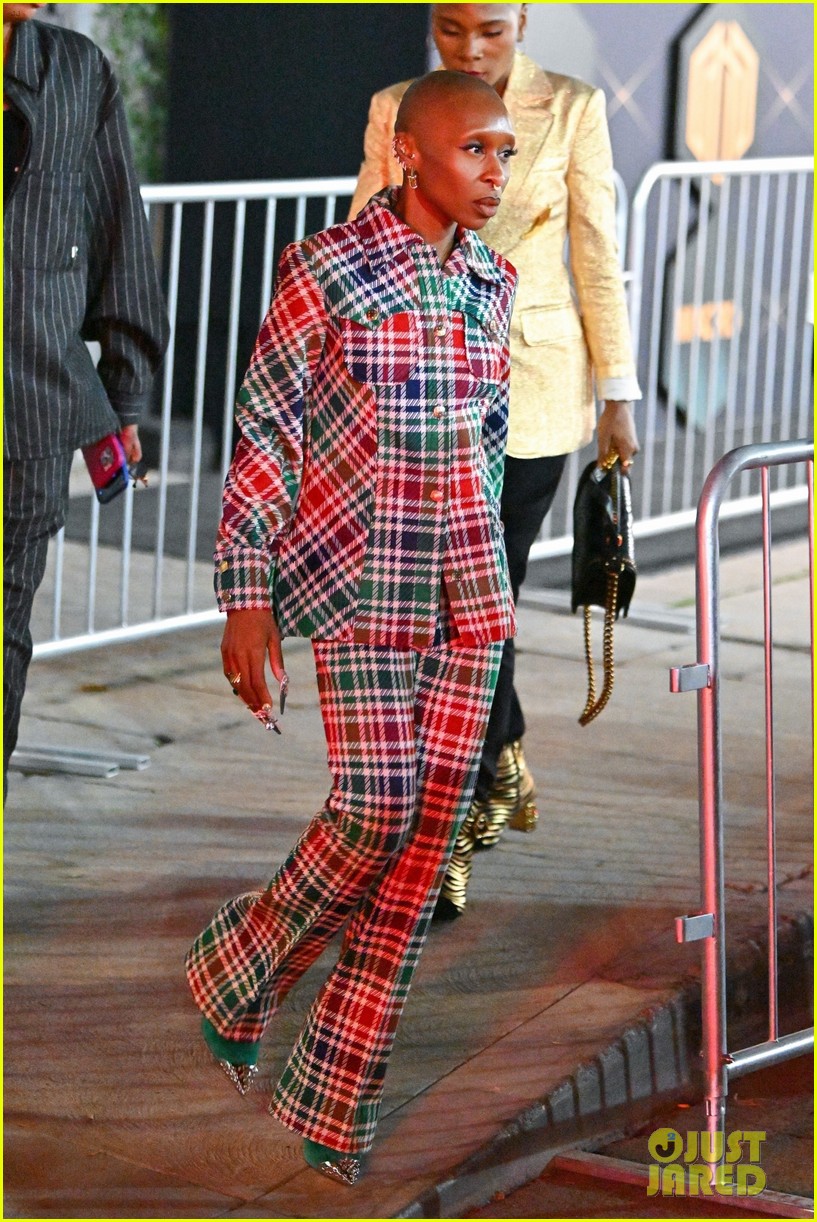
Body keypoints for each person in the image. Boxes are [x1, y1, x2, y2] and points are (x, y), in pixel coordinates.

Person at [185, 70, 518, 1185]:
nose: (494, 173)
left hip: (471, 598)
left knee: (423, 851)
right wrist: (247, 595)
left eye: (506, 153)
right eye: (475, 149)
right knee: (375, 812)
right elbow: (266, 432)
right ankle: (238, 963)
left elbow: (488, 439)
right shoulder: (323, 269)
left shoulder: (495, 283)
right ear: (410, 153)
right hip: (358, 587)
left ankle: (335, 1093)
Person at [349, 2, 641, 919]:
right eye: (450, 29)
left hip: (533, 391)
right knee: (447, 607)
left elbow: (595, 249)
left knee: (479, 602)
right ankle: (497, 751)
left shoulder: (573, 107)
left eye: (489, 31)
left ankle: (453, 825)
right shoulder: (395, 104)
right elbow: (364, 234)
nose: (470, 49)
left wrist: (617, 391)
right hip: (421, 388)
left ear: (522, 19)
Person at [3, 3, 169, 791]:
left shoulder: (75, 69)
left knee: (6, 624)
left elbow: (116, 225)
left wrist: (125, 387)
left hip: (31, 401)